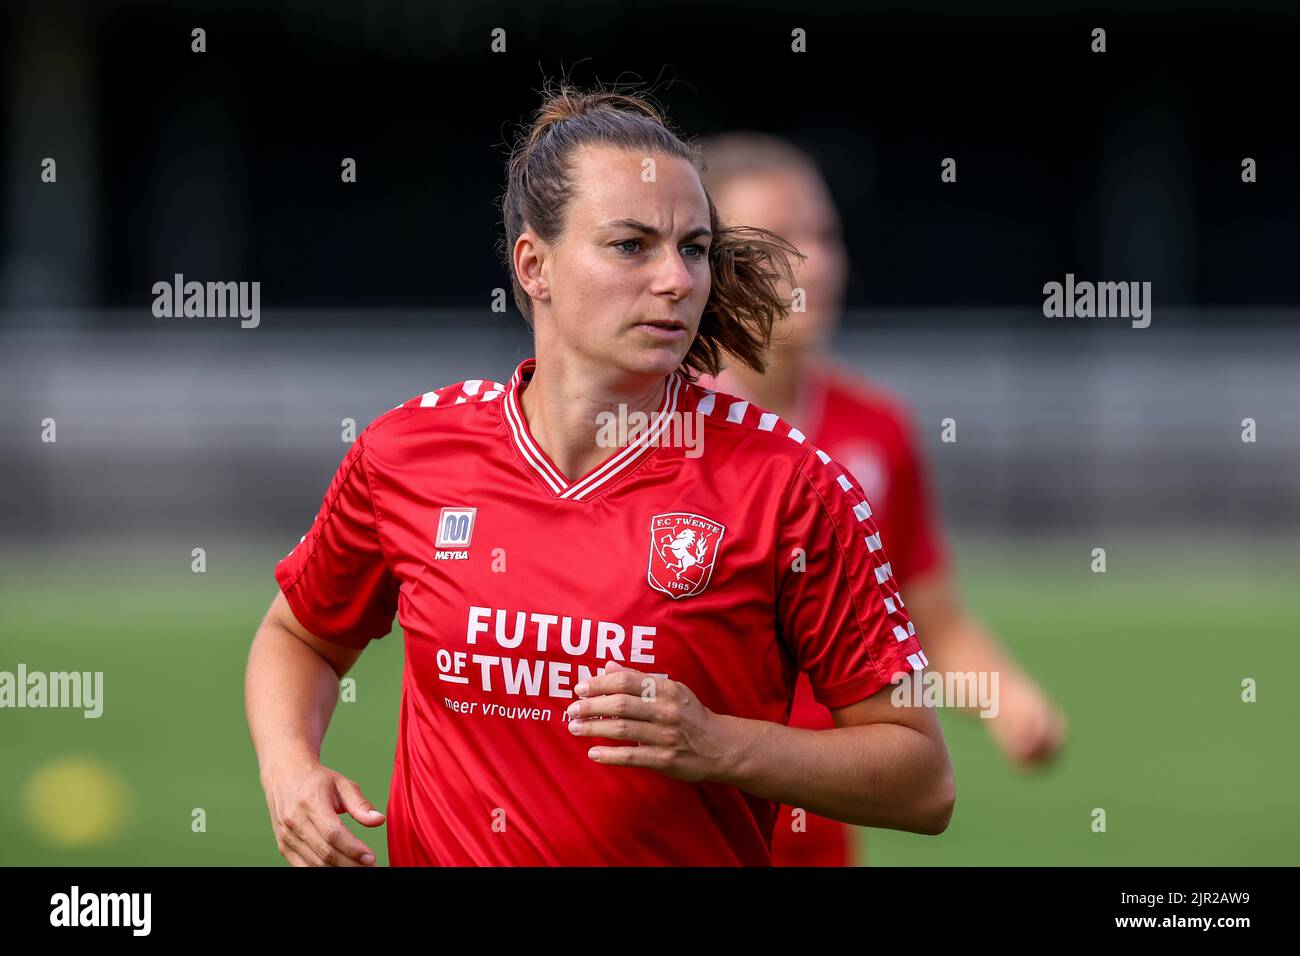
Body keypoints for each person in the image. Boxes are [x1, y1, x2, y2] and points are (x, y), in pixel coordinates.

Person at [244, 87, 954, 866]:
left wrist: (718, 744)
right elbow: (298, 635)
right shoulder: (408, 453)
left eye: (692, 248)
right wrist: (290, 772)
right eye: (631, 246)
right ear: (534, 264)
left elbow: (923, 782)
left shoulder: (791, 485)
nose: (677, 280)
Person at [698, 132, 1068, 866]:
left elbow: (927, 623)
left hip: (823, 819)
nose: (818, 262)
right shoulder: (658, 429)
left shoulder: (877, 429)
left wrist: (1007, 701)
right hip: (693, 820)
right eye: (779, 238)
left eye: (825, 234)